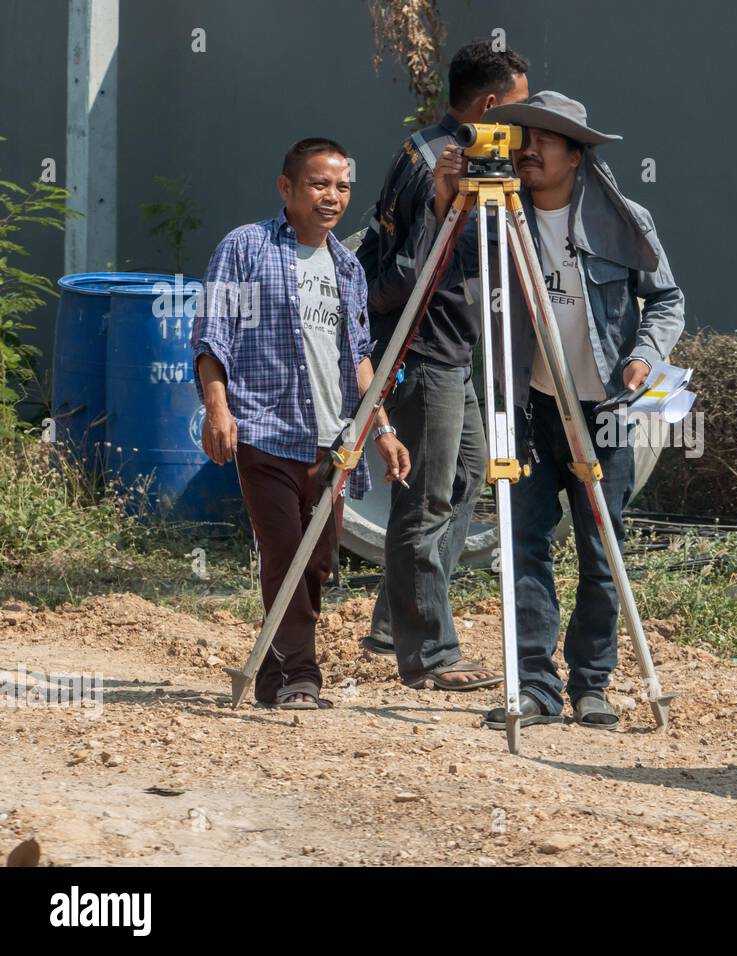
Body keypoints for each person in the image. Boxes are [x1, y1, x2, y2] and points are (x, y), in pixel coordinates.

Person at [448, 91, 685, 730]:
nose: (527, 149)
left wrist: (644, 354)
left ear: (576, 154)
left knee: (601, 550)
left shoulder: (624, 221)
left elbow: (666, 300)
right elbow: (448, 277)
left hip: (603, 409)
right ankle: (535, 687)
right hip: (526, 408)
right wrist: (453, 201)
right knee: (523, 545)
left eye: (543, 139)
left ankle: (592, 682)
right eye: (521, 135)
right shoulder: (495, 220)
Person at [192, 137, 410, 709]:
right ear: (286, 187)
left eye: (341, 187)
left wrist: (382, 429)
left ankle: (270, 673)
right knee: (286, 551)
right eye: (318, 184)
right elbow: (213, 335)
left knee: (316, 561)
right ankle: (303, 675)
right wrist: (217, 408)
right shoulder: (245, 248)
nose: (331, 197)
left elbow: (361, 356)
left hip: (333, 440)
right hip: (266, 430)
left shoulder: (347, 267)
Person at [355, 40, 529, 690]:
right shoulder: (431, 164)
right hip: (424, 351)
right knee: (426, 500)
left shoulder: (456, 156)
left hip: (455, 348)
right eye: (517, 109)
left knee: (469, 473)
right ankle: (429, 654)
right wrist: (441, 203)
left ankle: (396, 614)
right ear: (487, 106)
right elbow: (396, 276)